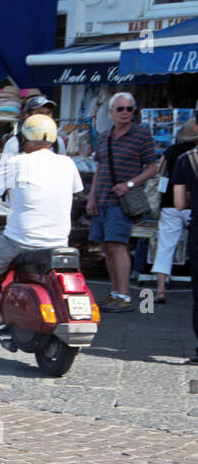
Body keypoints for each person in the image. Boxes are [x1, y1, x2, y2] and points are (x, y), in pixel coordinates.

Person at [0, 115, 82, 338]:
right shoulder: (68, 164)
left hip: (21, 241)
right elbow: (74, 194)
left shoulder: (18, 163)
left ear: (23, 139)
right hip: (59, 241)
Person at [86, 92, 161, 312]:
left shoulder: (141, 134)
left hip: (122, 201)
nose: (125, 113)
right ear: (111, 113)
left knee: (118, 245)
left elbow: (152, 167)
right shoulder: (105, 136)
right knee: (106, 247)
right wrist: (92, 197)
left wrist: (129, 184)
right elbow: (99, 169)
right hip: (102, 199)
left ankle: (125, 295)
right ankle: (115, 292)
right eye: (120, 109)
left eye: (130, 109)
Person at [152, 117, 198, 303]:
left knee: (165, 246)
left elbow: (158, 172)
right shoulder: (192, 155)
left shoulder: (173, 152)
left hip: (170, 204)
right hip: (192, 206)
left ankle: (160, 290)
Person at [0, 95, 66, 165]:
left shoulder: (58, 142)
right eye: (40, 113)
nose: (45, 117)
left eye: (48, 113)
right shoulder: (15, 143)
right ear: (27, 115)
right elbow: (5, 171)